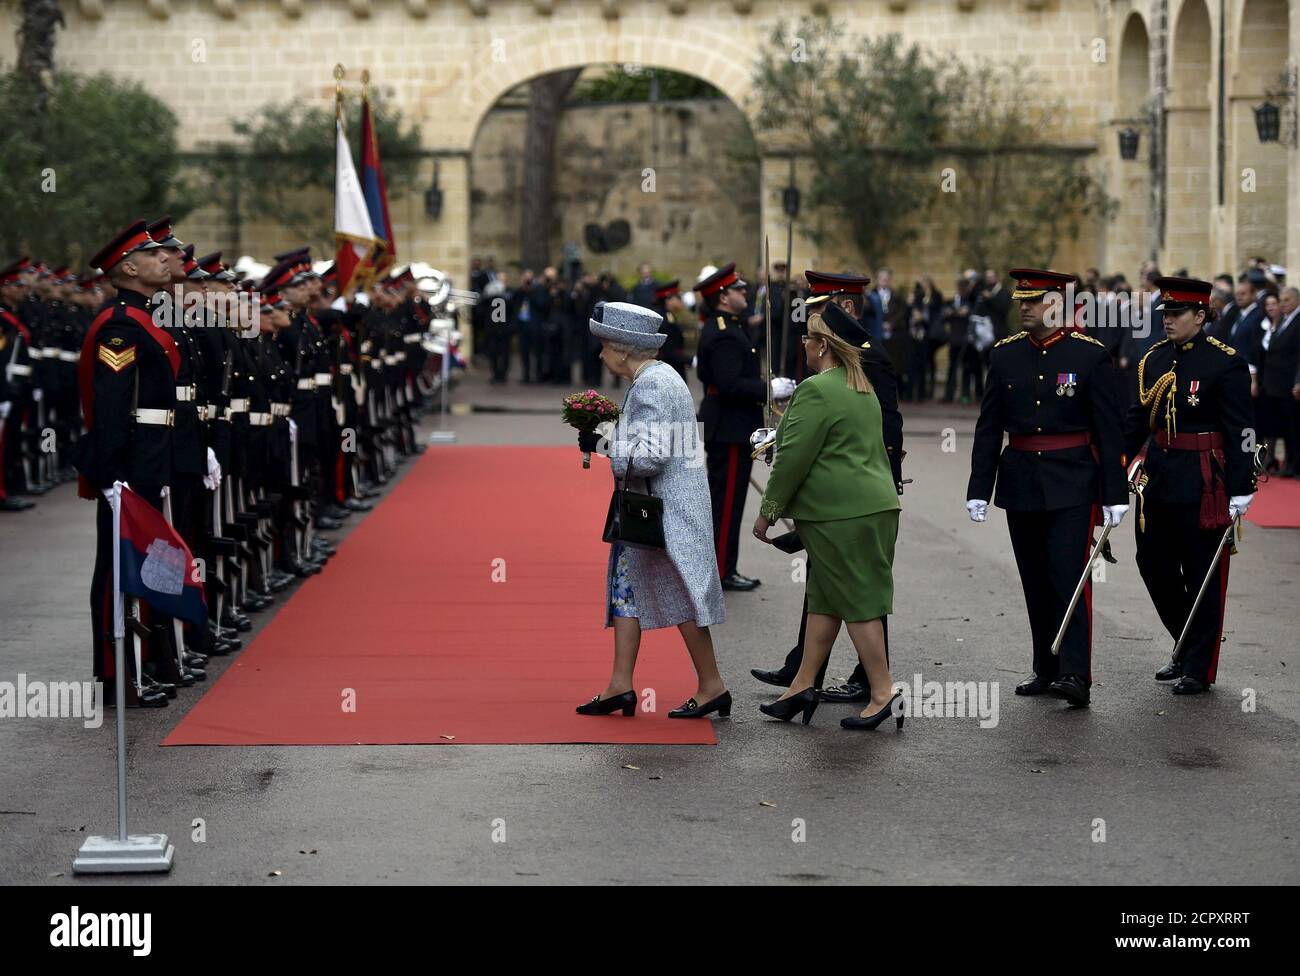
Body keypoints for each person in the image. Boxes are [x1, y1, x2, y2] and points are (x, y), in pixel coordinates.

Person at [966, 268, 1128, 708]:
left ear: (1056, 305)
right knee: (1034, 578)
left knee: (1067, 574)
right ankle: (1046, 664)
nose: (1023, 307)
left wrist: (1115, 493)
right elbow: (989, 427)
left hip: (1073, 480)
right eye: (1021, 300)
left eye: (1033, 300)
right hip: (1021, 478)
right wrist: (979, 486)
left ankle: (1076, 672)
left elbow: (1109, 430)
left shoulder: (1089, 356)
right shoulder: (1005, 356)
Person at [750, 269, 905, 704]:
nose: (804, 339)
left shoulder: (827, 385)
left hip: (842, 510)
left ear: (825, 342)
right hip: (863, 504)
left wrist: (769, 511)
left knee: (857, 603)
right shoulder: (857, 382)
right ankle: (801, 684)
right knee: (825, 600)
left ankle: (880, 690)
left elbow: (799, 458)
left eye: (811, 332)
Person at [575, 301, 730, 720]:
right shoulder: (659, 378)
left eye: (605, 346)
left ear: (624, 350)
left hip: (663, 513)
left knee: (681, 595)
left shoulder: (653, 385)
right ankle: (620, 684)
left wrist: (603, 443)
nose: (601, 355)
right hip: (655, 511)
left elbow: (650, 458)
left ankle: (712, 685)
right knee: (625, 593)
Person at [1125, 276, 1257, 695]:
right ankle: (1186, 642)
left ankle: (1199, 665)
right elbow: (1136, 419)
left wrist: (1242, 486)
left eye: (1177, 313)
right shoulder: (1156, 358)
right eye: (1165, 312)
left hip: (1205, 481)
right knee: (1153, 563)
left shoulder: (1225, 362)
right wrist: (1112, 460)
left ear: (1200, 316)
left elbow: (1242, 430)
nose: (1168, 320)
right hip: (1160, 475)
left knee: (1203, 573)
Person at [74, 221, 178, 708]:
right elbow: (114, 408)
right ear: (129, 269)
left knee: (143, 567)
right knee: (118, 572)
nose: (165, 260)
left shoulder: (142, 317)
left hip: (150, 460)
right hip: (130, 466)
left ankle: (141, 666)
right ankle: (116, 676)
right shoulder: (120, 325)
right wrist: (113, 476)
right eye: (153, 255)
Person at [695, 262, 786, 591]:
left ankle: (723, 567)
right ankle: (720, 571)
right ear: (722, 297)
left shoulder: (730, 326)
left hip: (732, 426)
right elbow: (730, 383)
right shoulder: (723, 334)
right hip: (729, 427)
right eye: (738, 290)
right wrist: (769, 390)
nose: (744, 292)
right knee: (727, 505)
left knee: (730, 503)